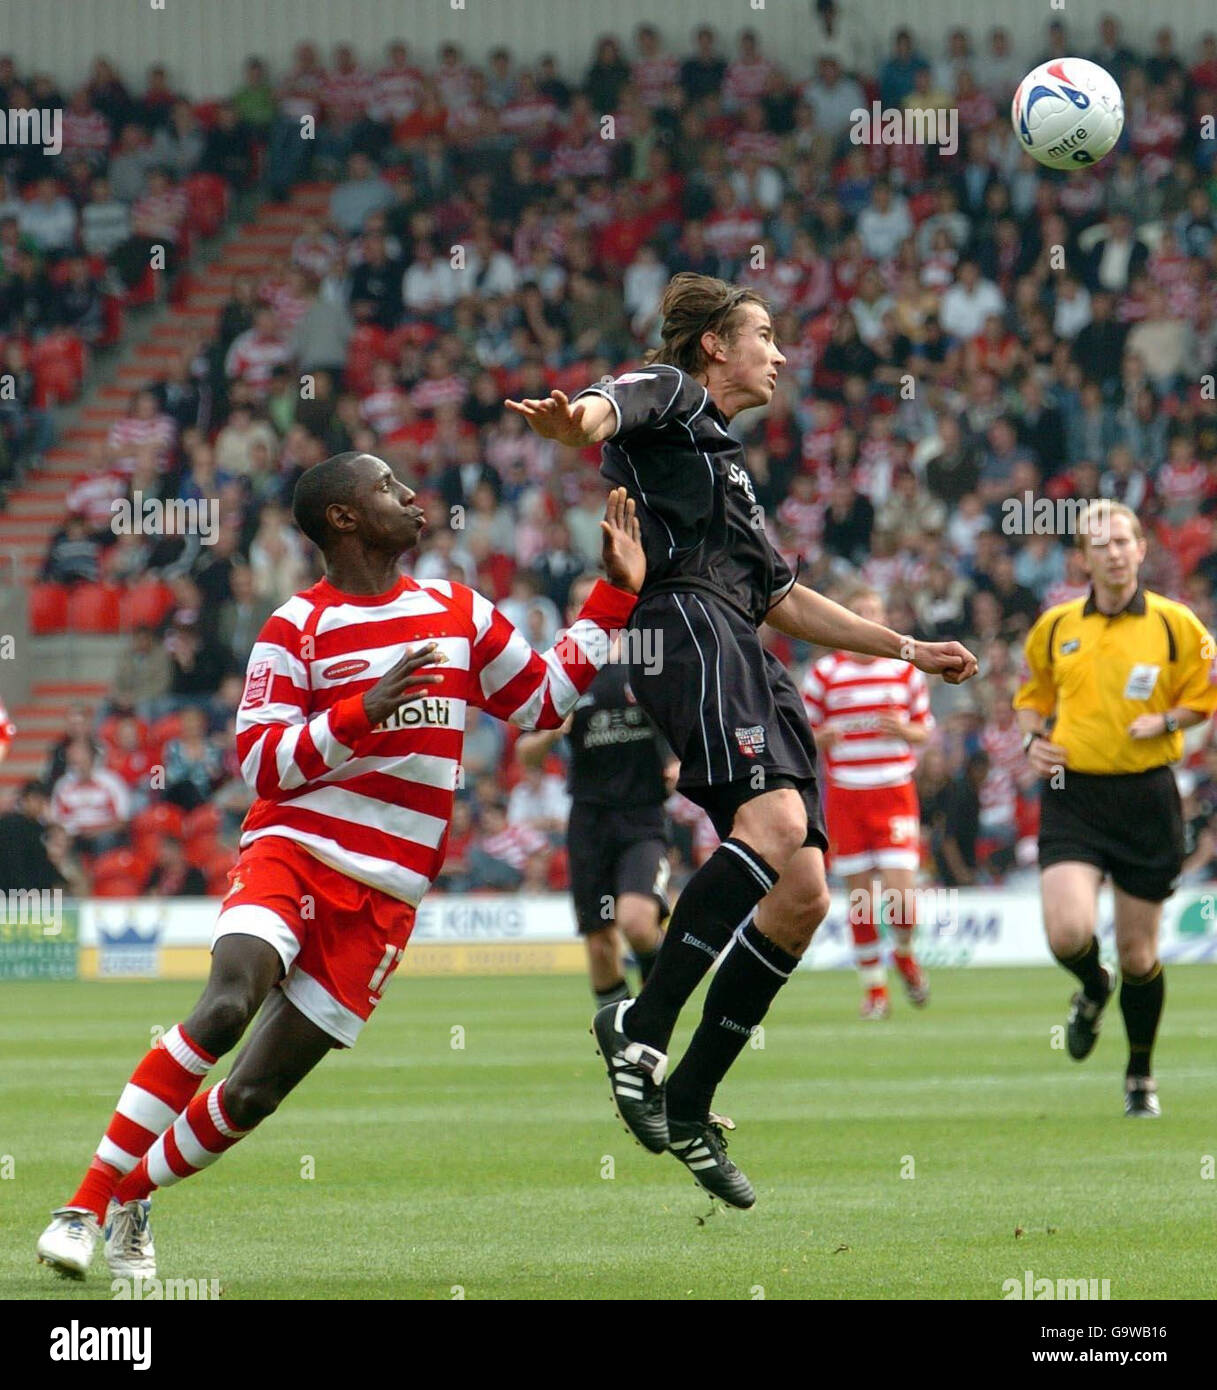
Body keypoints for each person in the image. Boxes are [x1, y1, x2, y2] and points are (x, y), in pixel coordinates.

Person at [36, 453, 645, 1283]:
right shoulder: (296, 627)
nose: (410, 496)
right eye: (388, 487)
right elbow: (261, 765)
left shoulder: (456, 610)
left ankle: (131, 1194)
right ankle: (82, 1205)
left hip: (386, 894)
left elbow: (541, 699)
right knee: (225, 1003)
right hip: (296, 846)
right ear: (344, 519)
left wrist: (614, 595)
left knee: (252, 1095)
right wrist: (362, 710)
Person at [507, 271, 978, 1208]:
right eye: (763, 334)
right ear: (715, 345)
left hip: (744, 644)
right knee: (767, 832)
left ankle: (688, 1100)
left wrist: (905, 648)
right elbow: (617, 399)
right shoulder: (675, 397)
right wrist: (582, 421)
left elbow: (784, 598)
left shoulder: (725, 464)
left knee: (801, 890)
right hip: (685, 627)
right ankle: (638, 1028)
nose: (780, 351)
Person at [1013, 501, 1217, 1118]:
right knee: (1068, 932)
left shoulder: (1177, 624)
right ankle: (1092, 987)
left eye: (1123, 541)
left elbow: (1203, 698)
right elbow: (1030, 699)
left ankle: (1139, 1076)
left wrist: (1170, 718)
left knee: (1139, 954)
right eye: (1100, 544)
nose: (1113, 552)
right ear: (1084, 557)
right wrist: (1031, 741)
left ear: (1141, 549)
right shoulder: (1054, 627)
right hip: (1073, 795)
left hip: (1148, 796)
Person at [517, 573, 676, 1010]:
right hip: (589, 819)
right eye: (580, 604)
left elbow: (685, 721)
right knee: (601, 945)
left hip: (642, 815)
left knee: (638, 923)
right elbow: (526, 754)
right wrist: (550, 736)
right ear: (572, 615)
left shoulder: (651, 660)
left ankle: (657, 1012)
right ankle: (621, 1044)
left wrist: (680, 760)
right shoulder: (562, 668)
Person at [803, 586, 933, 1019]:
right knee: (860, 899)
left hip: (894, 790)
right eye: (857, 613)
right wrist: (822, 738)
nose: (866, 620)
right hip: (845, 794)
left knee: (900, 897)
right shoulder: (823, 674)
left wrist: (903, 730)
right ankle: (875, 990)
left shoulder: (904, 672)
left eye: (873, 613)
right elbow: (803, 734)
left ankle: (904, 951)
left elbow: (924, 731)